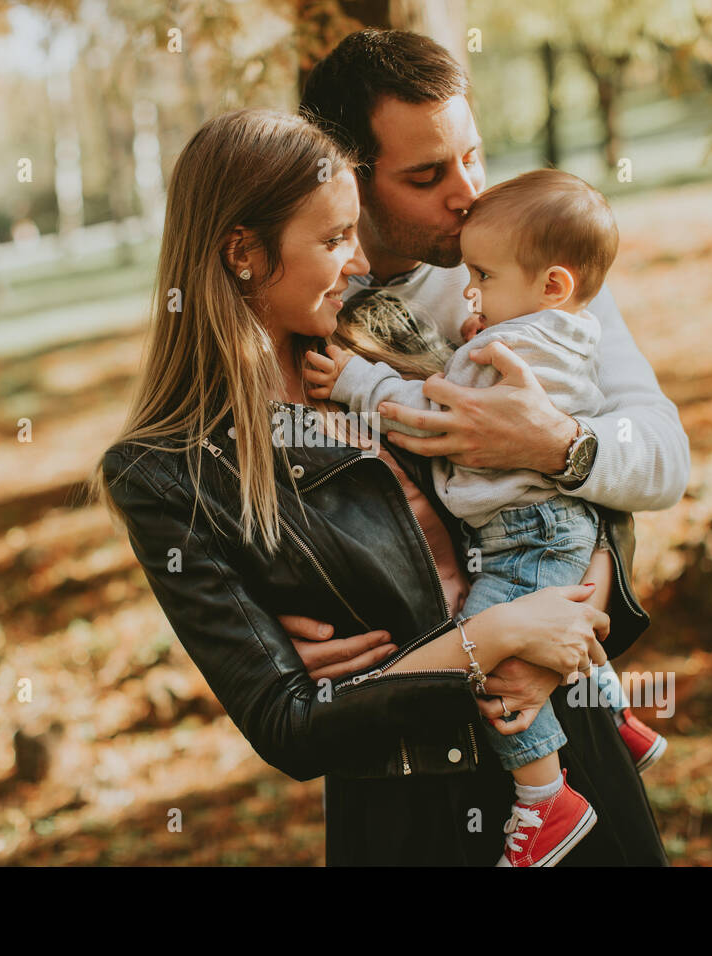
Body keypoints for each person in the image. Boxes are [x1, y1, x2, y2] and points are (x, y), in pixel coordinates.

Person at [95, 107, 668, 866]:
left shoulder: (384, 338)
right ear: (243, 253)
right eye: (334, 240)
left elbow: (551, 491)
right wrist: (493, 637)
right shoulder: (168, 472)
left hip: (581, 765)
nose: (362, 262)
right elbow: (291, 725)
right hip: (421, 820)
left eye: (356, 231)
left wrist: (583, 591)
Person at [305, 168, 670, 866]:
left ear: (551, 286)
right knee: (540, 622)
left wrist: (354, 382)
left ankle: (545, 800)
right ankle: (615, 715)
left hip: (525, 536)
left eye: (484, 278)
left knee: (493, 666)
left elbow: (432, 413)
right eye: (427, 171)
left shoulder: (520, 341)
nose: (471, 292)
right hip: (553, 527)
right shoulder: (551, 324)